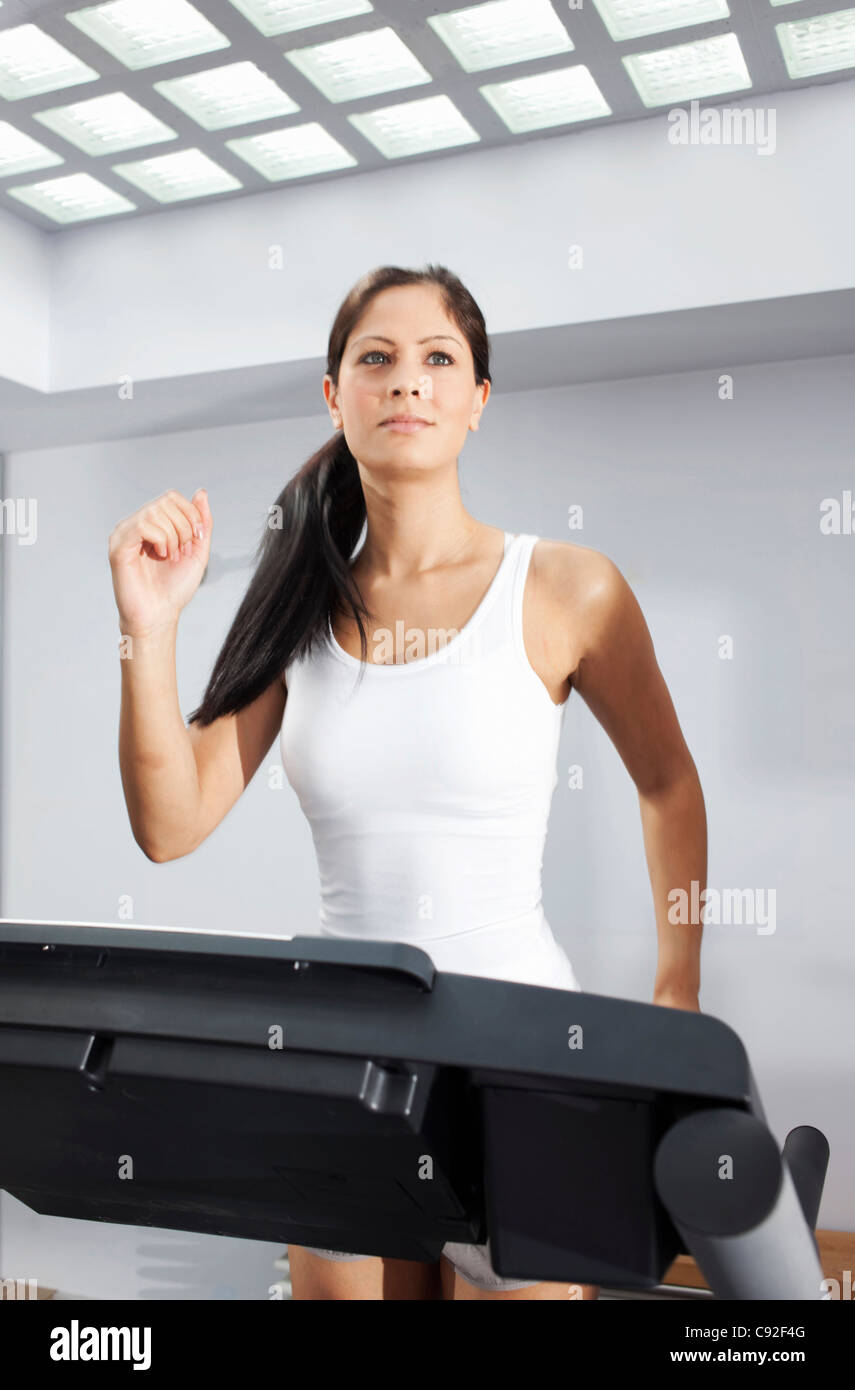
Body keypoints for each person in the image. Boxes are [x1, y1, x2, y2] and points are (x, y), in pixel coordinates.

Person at [110, 263, 705, 1301]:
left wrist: (676, 994)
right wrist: (149, 629)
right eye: (375, 359)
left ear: (479, 399)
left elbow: (668, 783)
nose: (407, 382)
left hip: (524, 1056)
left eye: (439, 359)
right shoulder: (295, 608)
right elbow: (168, 825)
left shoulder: (568, 587)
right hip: (344, 1058)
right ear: (335, 396)